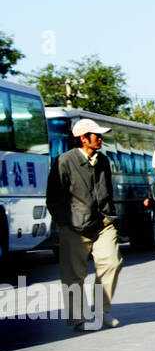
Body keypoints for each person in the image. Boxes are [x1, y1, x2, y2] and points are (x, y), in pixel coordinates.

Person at [46, 118, 123, 330]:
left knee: (112, 263)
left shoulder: (103, 161)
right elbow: (53, 198)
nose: (100, 139)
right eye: (96, 135)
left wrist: (111, 218)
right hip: (74, 227)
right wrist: (66, 223)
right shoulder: (65, 161)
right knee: (74, 274)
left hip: (103, 223)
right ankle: (78, 318)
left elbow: (107, 191)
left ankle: (101, 310)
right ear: (83, 138)